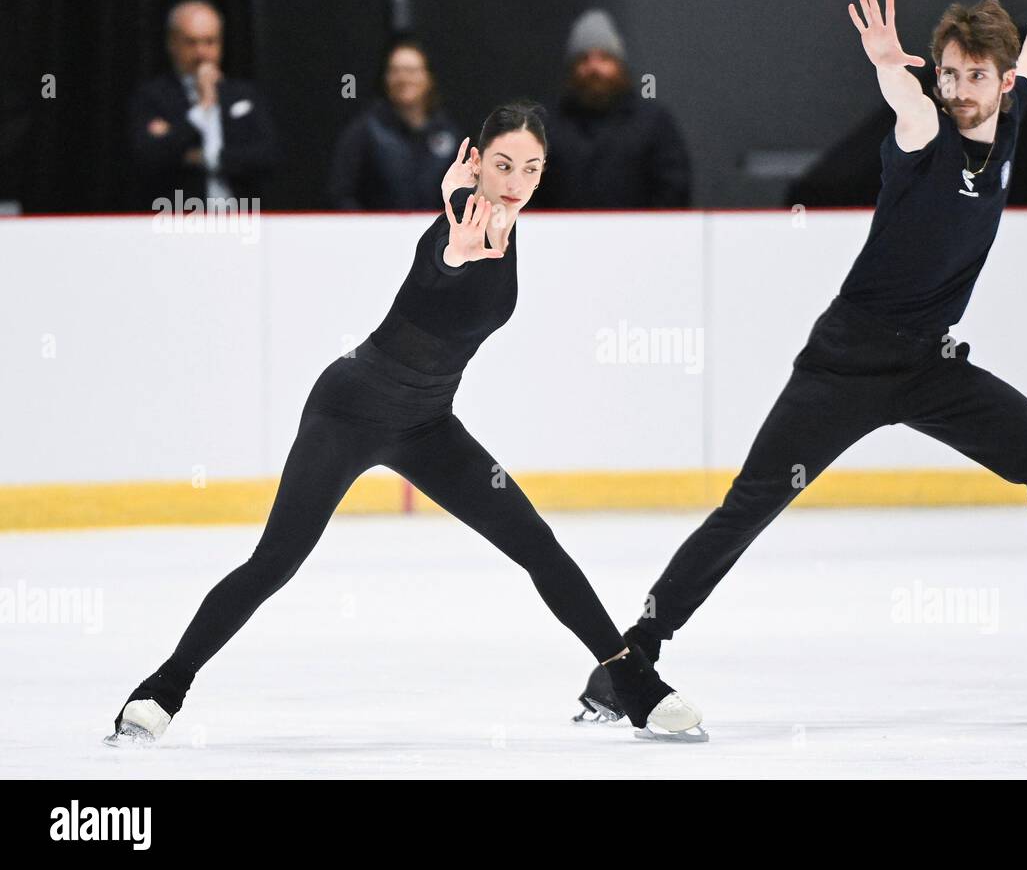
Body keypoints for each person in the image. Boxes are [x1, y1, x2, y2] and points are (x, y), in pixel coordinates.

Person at [575, 0, 1027, 727]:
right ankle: (632, 656)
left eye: (976, 77)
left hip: (930, 367)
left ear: (1004, 83)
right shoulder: (924, 134)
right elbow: (907, 107)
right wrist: (888, 67)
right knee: (750, 505)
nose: (960, 90)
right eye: (949, 75)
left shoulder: (1011, 117)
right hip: (845, 361)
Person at [106, 102, 705, 746]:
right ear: (473, 161)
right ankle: (160, 691)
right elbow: (440, 263)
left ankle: (634, 685)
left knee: (535, 542)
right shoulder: (452, 227)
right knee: (276, 561)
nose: (515, 181)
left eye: (531, 168)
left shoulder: (507, 226)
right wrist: (456, 241)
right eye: (501, 164)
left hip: (427, 424)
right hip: (348, 409)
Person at [530, 9, 691, 209]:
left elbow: (674, 189)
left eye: (604, 58)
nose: (594, 68)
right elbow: (527, 191)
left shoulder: (653, 123)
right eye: (584, 59)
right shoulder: (546, 127)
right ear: (572, 69)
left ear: (619, 65)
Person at [127, 0, 278, 209]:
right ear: (172, 43)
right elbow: (151, 157)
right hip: (177, 217)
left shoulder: (243, 95)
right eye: (191, 42)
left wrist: (206, 157)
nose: (201, 53)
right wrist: (202, 109)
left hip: (240, 218)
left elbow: (267, 156)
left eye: (209, 42)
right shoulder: (153, 97)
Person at [328, 34, 464, 210]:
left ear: (429, 77)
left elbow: (464, 193)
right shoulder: (366, 131)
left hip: (435, 233)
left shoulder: (449, 134)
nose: (403, 79)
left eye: (411, 71)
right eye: (395, 71)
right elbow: (340, 193)